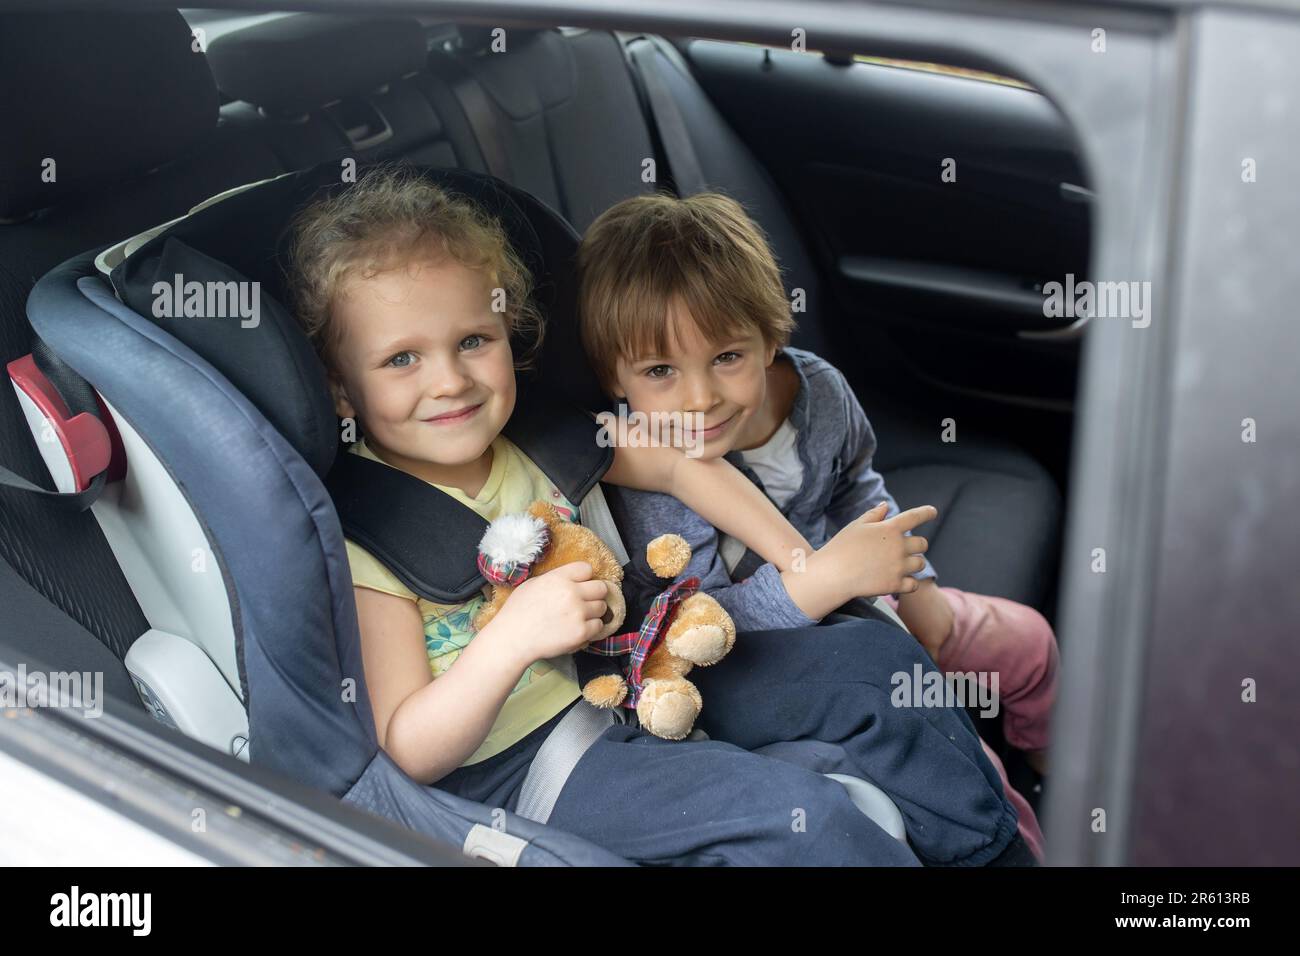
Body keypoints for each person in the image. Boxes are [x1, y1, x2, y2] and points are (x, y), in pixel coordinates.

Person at [286, 164, 1029, 865]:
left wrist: (802, 563)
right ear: (342, 391)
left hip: (634, 666)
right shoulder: (371, 538)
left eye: (473, 341)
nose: (449, 380)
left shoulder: (541, 441)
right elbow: (408, 746)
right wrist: (509, 641)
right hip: (536, 760)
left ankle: (993, 853)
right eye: (401, 360)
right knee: (812, 824)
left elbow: (681, 463)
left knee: (877, 667)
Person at [578, 191, 1057, 860]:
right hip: (772, 656)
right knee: (970, 767)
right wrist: (822, 585)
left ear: (771, 337)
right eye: (660, 371)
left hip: (864, 590)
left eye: (727, 358)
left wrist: (918, 589)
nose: (699, 397)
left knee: (1030, 646)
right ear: (615, 379)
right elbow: (701, 627)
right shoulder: (651, 483)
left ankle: (1062, 776)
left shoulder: (818, 392)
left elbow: (858, 488)